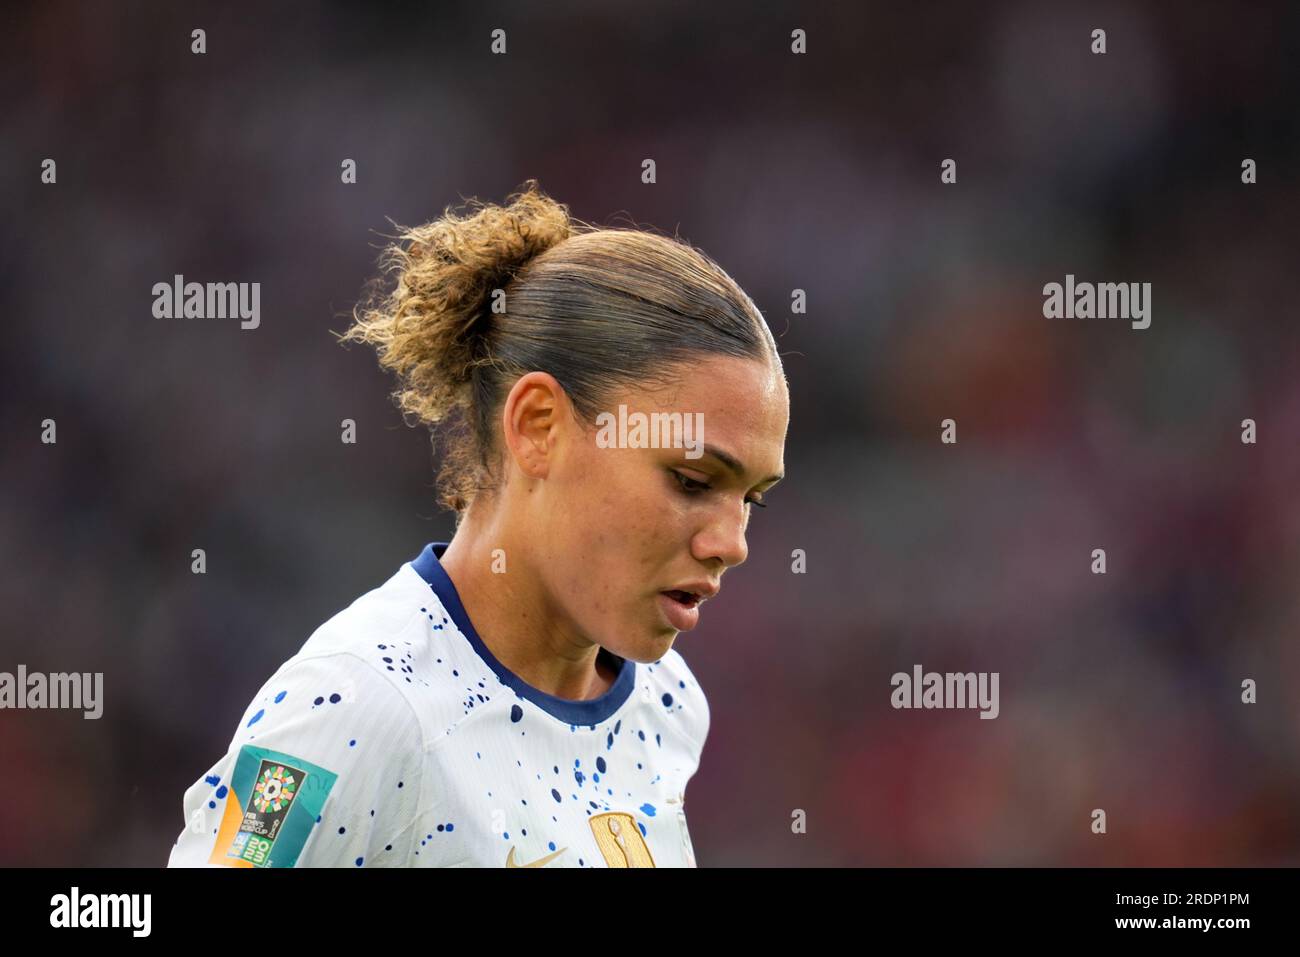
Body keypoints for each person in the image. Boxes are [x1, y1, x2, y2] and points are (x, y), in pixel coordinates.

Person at [166, 179, 789, 867]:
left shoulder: (665, 705)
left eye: (752, 499)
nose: (732, 543)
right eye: (692, 480)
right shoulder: (356, 709)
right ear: (538, 426)